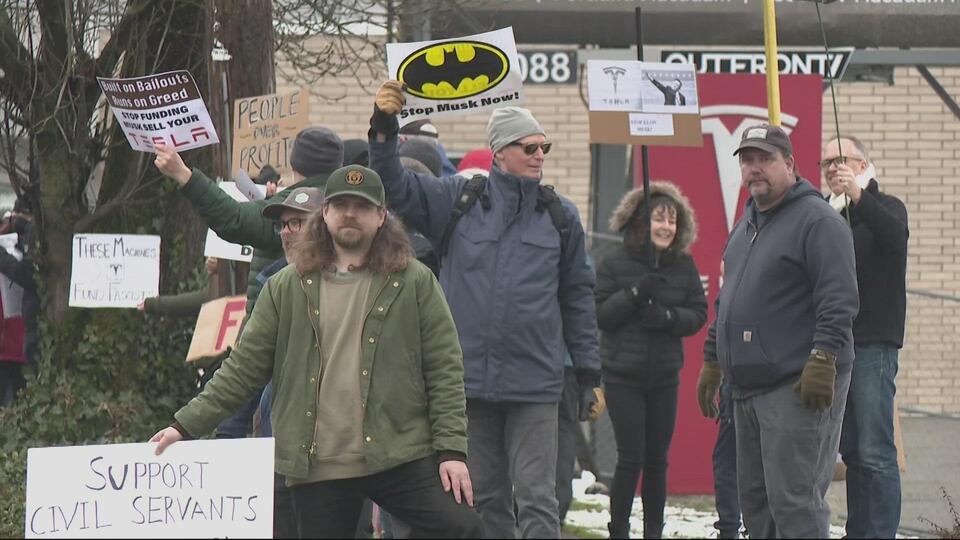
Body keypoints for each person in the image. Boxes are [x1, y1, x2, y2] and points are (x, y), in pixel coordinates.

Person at [151, 164, 483, 539]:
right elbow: (242, 369)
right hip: (318, 464)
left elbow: (444, 368)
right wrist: (184, 425)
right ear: (324, 213)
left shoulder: (414, 281)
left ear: (381, 216)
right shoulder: (285, 287)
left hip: (398, 453)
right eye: (341, 205)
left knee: (466, 529)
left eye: (362, 206)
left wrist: (451, 451)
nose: (350, 214)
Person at [368, 81, 602, 538]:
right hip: (469, 383)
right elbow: (393, 184)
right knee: (484, 497)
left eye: (544, 147)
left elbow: (578, 296)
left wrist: (589, 372)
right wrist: (383, 127)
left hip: (536, 385)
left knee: (538, 498)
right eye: (529, 147)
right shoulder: (458, 200)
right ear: (500, 152)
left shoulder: (560, 216)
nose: (539, 155)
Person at [697, 124, 859, 538]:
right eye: (747, 160)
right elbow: (729, 299)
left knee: (794, 503)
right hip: (747, 387)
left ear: (789, 163)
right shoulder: (747, 224)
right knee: (757, 505)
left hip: (797, 383)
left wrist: (823, 358)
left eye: (765, 159)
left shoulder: (818, 221)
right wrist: (713, 360)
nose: (754, 168)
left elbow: (839, 298)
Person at [154, 126, 343, 439]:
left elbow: (234, 219)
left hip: (273, 344)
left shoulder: (302, 207)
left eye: (292, 224)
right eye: (283, 223)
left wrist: (184, 175)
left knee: (239, 429)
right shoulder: (343, 207)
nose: (286, 231)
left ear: (295, 164)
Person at [596, 182, 708, 538]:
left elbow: (698, 312)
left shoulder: (683, 265)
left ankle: (653, 532)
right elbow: (602, 315)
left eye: (672, 220)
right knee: (631, 458)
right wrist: (634, 293)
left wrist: (669, 318)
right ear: (640, 222)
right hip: (623, 376)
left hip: (664, 376)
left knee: (658, 461)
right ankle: (619, 529)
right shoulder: (614, 263)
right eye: (659, 219)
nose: (666, 227)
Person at [822, 135, 909, 539]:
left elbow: (895, 238)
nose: (832, 168)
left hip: (873, 344)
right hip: (835, 346)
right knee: (853, 451)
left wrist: (858, 196)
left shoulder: (886, 206)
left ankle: (881, 532)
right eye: (826, 162)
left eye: (840, 159)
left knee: (876, 451)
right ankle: (858, 530)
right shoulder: (826, 215)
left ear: (862, 165)